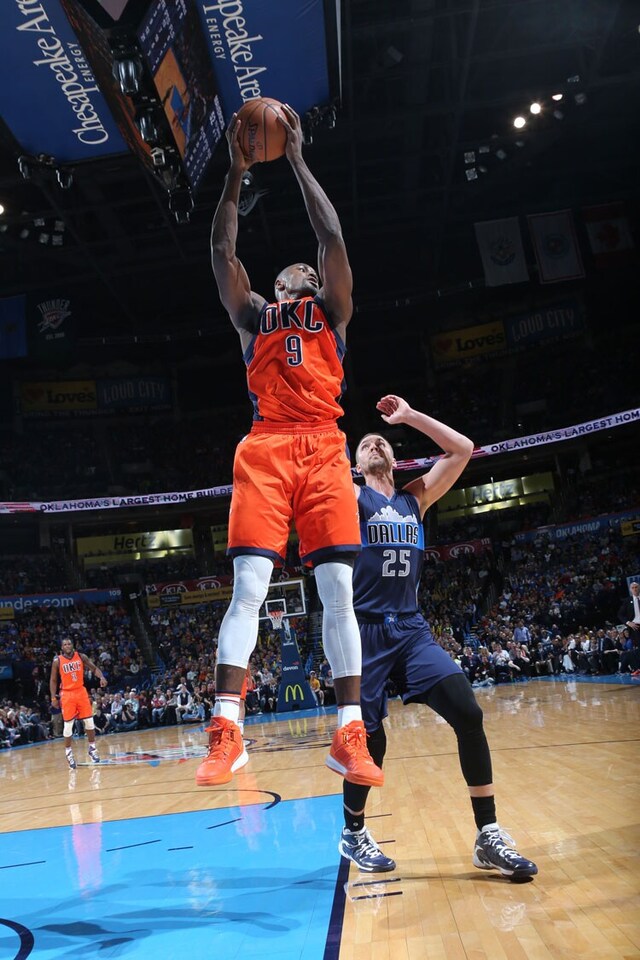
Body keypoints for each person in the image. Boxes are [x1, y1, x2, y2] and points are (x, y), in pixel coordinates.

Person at [195, 105, 382, 790]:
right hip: (268, 448)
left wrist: (298, 159)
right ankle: (227, 730)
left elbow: (330, 236)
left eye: (312, 268)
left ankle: (349, 733)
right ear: (278, 285)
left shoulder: (332, 311)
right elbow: (221, 253)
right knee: (248, 588)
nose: (305, 268)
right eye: (294, 269)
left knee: (337, 591)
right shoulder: (254, 317)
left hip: (324, 446)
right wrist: (235, 176)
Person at [338, 395, 538, 880]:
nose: (375, 444)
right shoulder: (349, 496)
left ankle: (488, 836)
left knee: (468, 711)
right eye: (365, 444)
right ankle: (354, 833)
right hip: (362, 632)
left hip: (410, 627)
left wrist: (408, 417)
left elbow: (463, 449)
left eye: (381, 440)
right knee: (369, 744)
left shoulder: (413, 498)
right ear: (356, 463)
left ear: (393, 455)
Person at [49, 636, 108, 769]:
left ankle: (92, 749)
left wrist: (102, 676)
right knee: (68, 725)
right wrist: (53, 697)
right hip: (67, 694)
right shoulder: (57, 661)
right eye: (65, 644)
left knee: (89, 722)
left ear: (73, 645)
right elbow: (53, 680)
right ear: (62, 647)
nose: (67, 645)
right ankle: (68, 752)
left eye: (69, 643)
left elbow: (94, 668)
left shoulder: (81, 657)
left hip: (81, 691)